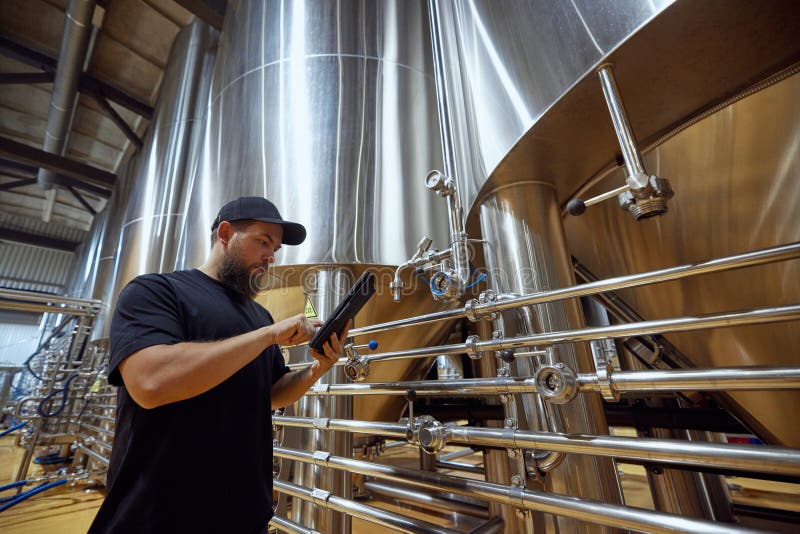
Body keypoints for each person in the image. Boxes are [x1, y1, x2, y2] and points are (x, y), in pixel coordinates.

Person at [89, 197, 349, 533]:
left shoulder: (259, 315)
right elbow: (150, 383)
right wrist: (268, 335)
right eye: (263, 242)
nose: (271, 256)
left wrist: (318, 369)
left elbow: (272, 393)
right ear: (225, 233)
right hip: (159, 516)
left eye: (276, 249)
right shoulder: (157, 291)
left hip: (244, 515)